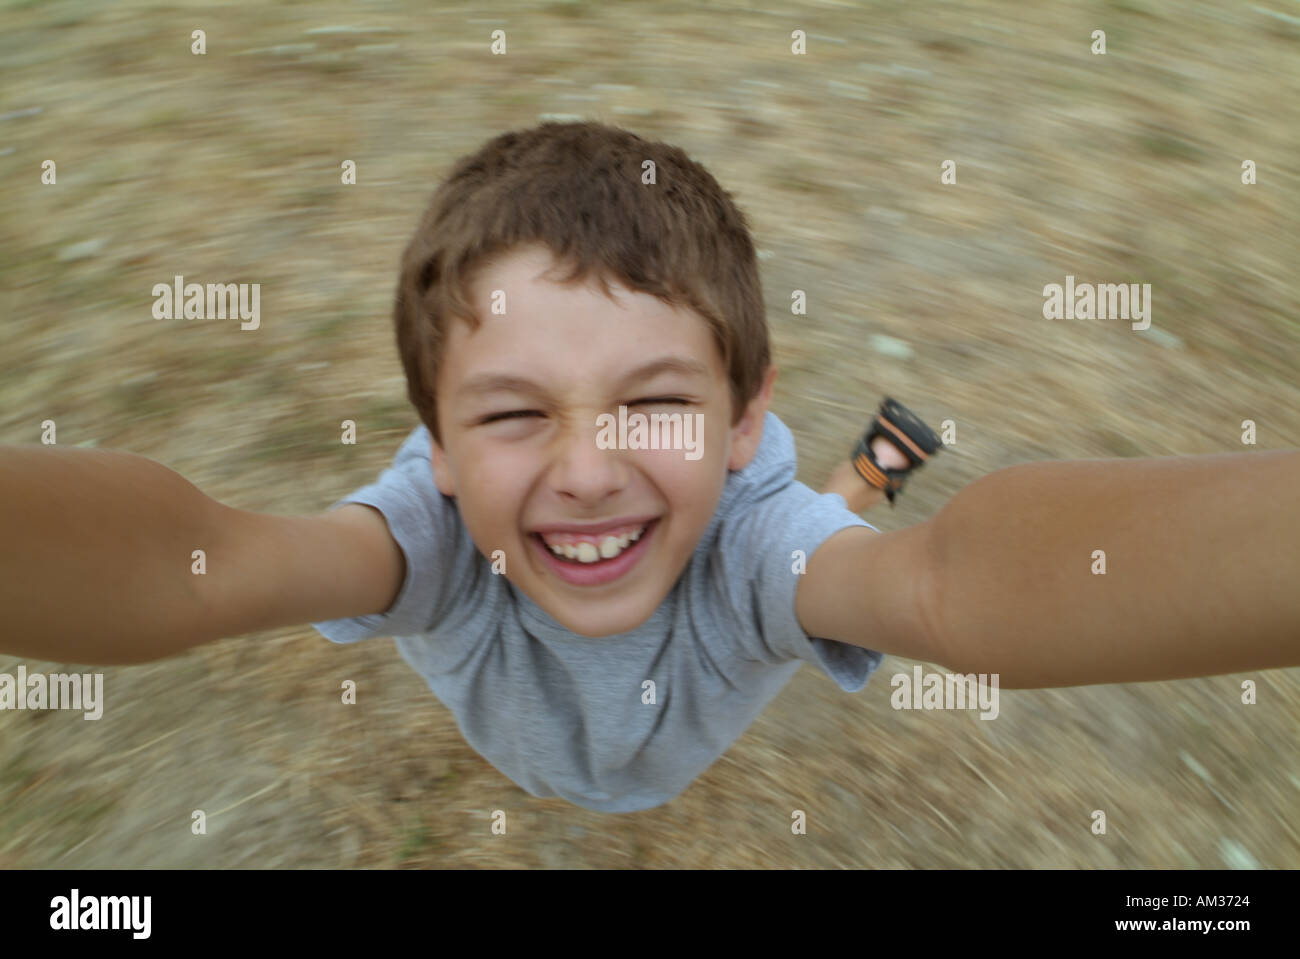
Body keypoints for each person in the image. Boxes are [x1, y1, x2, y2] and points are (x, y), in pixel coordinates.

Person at [2, 121, 1296, 812]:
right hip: (676, 548)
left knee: (800, 547)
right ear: (438, 450)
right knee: (789, 541)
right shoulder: (432, 538)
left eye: (657, 401)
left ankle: (861, 474)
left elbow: (947, 595)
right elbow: (209, 564)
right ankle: (860, 470)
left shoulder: (735, 528)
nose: (585, 470)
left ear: (739, 415)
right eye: (511, 417)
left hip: (748, 526)